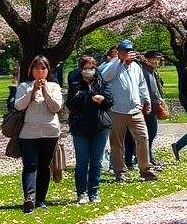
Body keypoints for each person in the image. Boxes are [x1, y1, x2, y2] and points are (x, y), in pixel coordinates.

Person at [99, 40, 157, 182]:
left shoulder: (136, 67)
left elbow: (142, 85)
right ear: (119, 51)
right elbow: (103, 77)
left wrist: (146, 101)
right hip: (117, 110)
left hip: (135, 110)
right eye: (125, 51)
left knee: (143, 138)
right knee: (117, 143)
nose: (128, 53)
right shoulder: (112, 66)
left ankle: (145, 169)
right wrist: (120, 62)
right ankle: (120, 171)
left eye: (130, 50)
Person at [13, 56, 64, 214]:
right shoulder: (23, 86)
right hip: (29, 133)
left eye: (43, 68)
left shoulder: (54, 86)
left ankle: (41, 199)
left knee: (43, 166)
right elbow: (18, 106)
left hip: (50, 132)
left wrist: (45, 91)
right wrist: (33, 90)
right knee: (30, 166)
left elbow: (56, 107)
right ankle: (29, 198)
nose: (39, 72)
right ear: (31, 70)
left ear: (48, 71)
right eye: (36, 68)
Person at [66, 56, 113, 204]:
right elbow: (71, 104)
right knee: (82, 162)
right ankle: (81, 192)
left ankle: (94, 191)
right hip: (80, 127)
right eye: (86, 68)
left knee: (96, 162)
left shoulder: (100, 81)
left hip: (99, 127)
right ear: (81, 69)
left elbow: (110, 101)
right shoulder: (75, 82)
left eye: (92, 68)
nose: (89, 71)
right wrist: (87, 97)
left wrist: (103, 100)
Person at [140, 50, 166, 168]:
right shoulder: (144, 71)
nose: (156, 61)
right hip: (147, 107)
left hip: (153, 106)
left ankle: (148, 156)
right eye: (154, 59)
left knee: (152, 132)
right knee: (150, 132)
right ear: (147, 59)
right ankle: (146, 157)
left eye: (158, 59)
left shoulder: (152, 72)